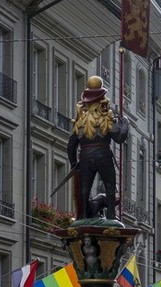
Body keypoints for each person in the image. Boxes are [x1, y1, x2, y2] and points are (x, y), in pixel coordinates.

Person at [66, 75, 130, 220]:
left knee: (84, 188)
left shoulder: (80, 122)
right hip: (103, 155)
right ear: (102, 100)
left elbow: (71, 146)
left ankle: (82, 215)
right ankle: (112, 215)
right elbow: (119, 138)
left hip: (85, 157)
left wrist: (74, 163)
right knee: (110, 185)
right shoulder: (106, 119)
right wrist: (125, 122)